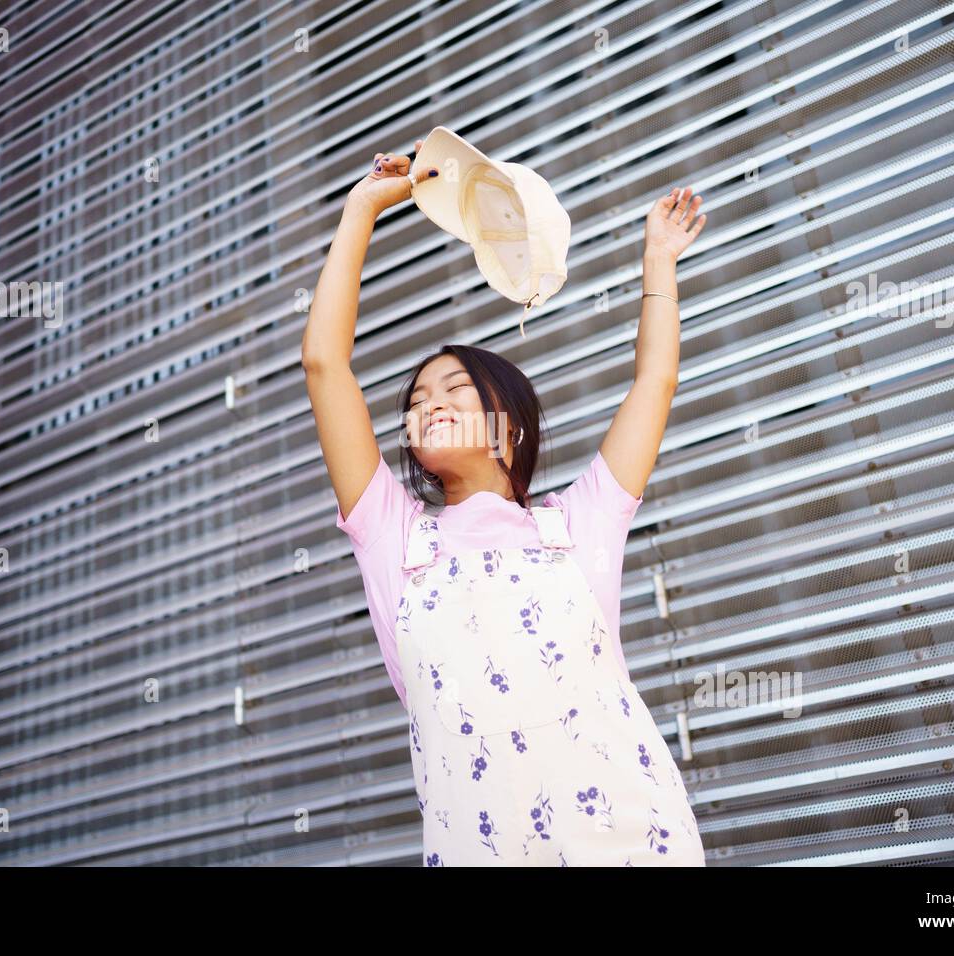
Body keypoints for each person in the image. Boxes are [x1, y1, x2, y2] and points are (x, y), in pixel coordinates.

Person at [301, 139, 707, 866]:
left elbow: (655, 384)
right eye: (419, 401)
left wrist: (658, 265)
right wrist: (362, 208)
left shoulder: (577, 524)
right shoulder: (394, 538)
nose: (432, 404)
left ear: (507, 425)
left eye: (456, 391)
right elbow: (325, 363)